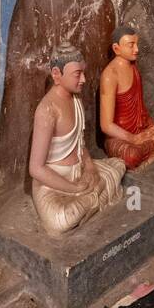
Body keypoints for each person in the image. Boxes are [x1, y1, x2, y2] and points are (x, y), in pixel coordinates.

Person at [29, 47, 126, 235]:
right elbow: (36, 169)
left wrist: (89, 167)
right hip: (53, 185)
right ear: (57, 74)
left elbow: (80, 145)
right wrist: (73, 188)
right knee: (62, 220)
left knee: (119, 165)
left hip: (80, 173)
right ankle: (96, 196)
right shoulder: (47, 110)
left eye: (83, 72)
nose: (83, 79)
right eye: (77, 74)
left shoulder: (75, 100)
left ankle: (92, 196)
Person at [99, 26, 154, 169]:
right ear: (116, 49)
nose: (137, 49)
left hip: (141, 130)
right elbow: (106, 125)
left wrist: (150, 126)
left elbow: (139, 105)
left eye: (137, 44)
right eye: (131, 45)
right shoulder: (110, 76)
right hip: (120, 138)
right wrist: (133, 138)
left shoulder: (133, 66)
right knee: (132, 156)